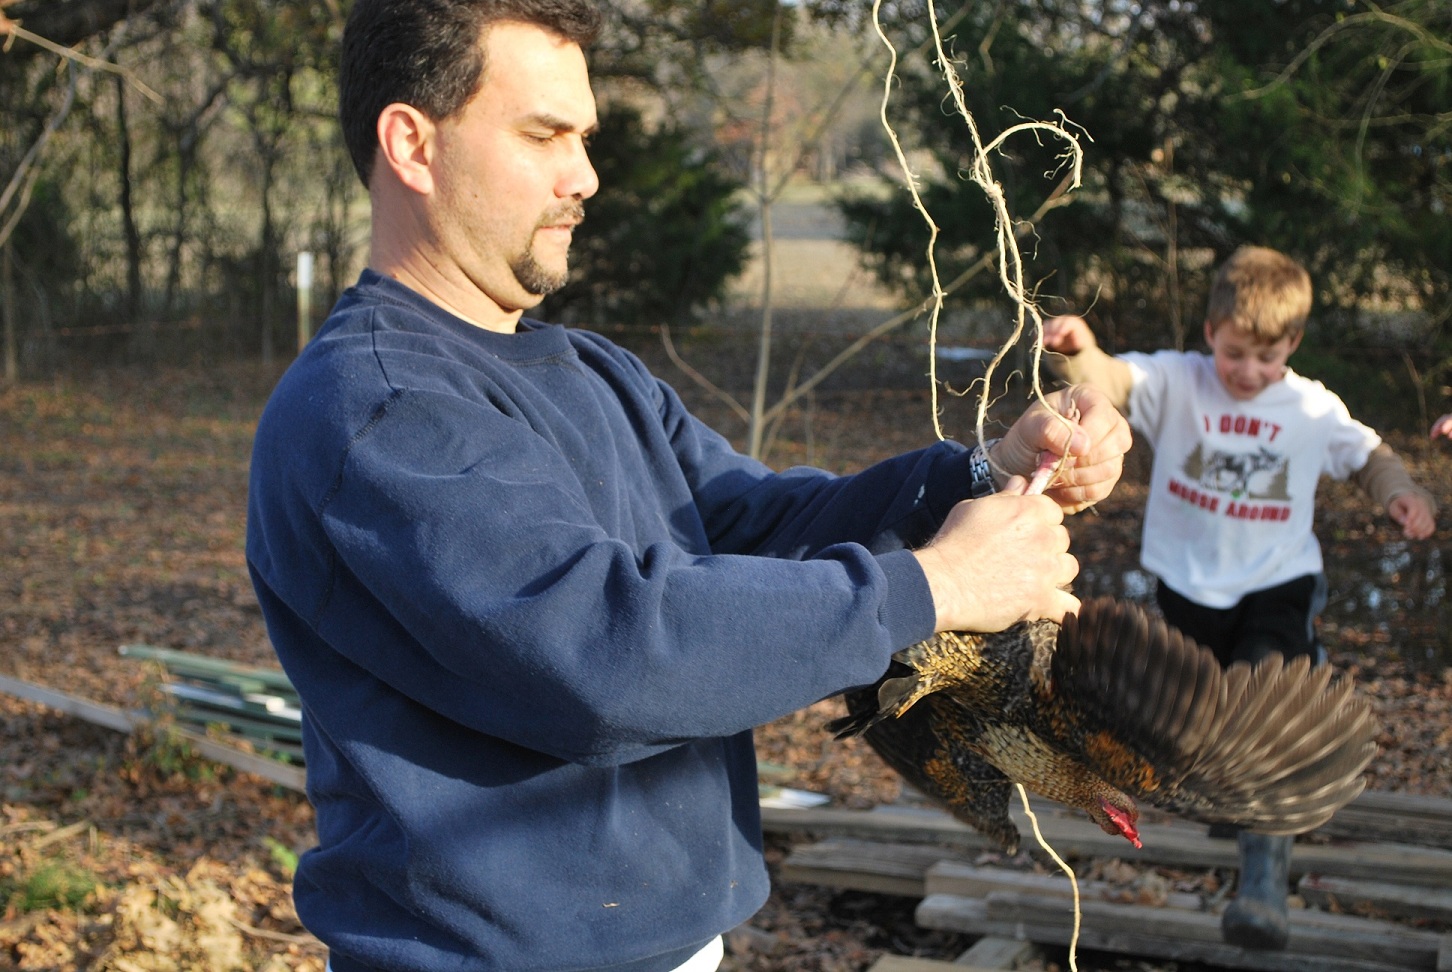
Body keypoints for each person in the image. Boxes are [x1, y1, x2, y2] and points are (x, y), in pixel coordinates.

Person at [244, 2, 1133, 970]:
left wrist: (984, 474)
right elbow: (604, 655)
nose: (584, 176)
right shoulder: (379, 408)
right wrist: (942, 586)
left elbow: (760, 527)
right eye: (543, 136)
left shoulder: (591, 372)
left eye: (585, 137)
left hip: (673, 946)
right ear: (412, 145)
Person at [1042, 245, 1437, 952]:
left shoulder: (1309, 405)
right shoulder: (1180, 381)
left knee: (1263, 708)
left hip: (1279, 583)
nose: (1248, 371)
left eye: (1267, 358)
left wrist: (1401, 492)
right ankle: (1233, 804)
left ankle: (1262, 882)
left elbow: (1368, 455)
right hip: (1190, 583)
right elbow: (1115, 379)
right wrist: (1080, 352)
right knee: (1200, 712)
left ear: (1293, 344)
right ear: (1210, 334)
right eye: (1234, 354)